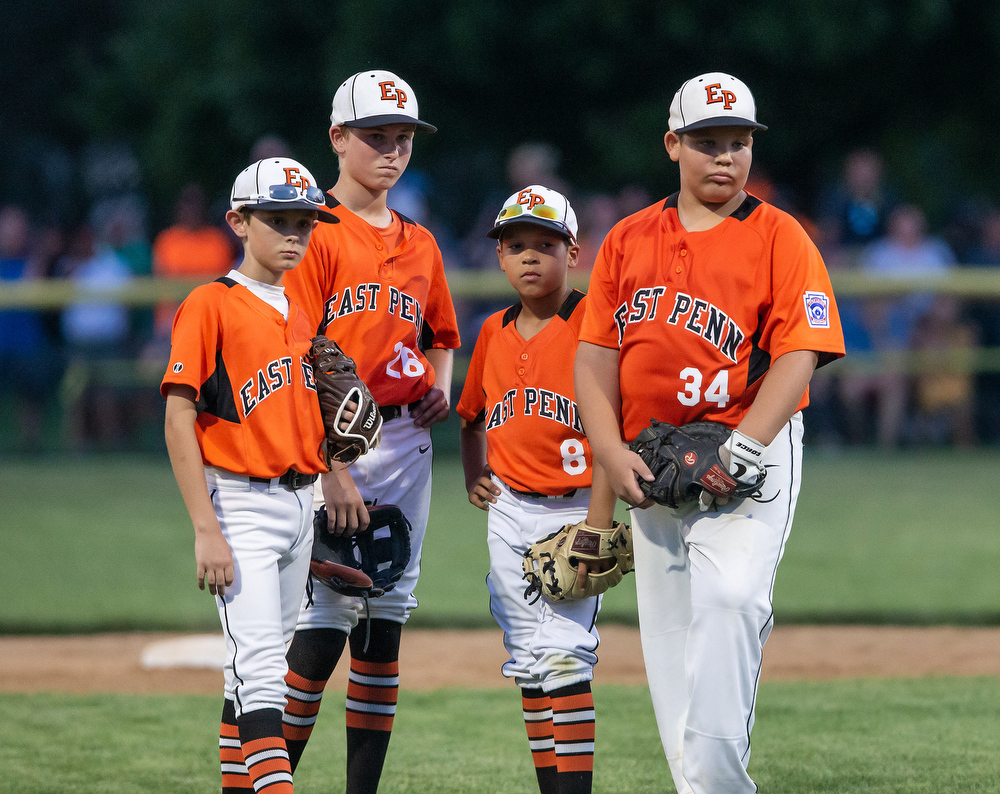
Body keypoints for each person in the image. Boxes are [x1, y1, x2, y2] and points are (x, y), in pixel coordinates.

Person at [573, 73, 845, 793]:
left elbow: (800, 354)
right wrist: (607, 450)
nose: (725, 156)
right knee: (668, 646)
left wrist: (746, 447)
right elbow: (595, 357)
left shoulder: (782, 237)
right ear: (673, 145)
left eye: (738, 143)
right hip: (651, 461)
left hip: (749, 448)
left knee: (731, 604)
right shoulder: (629, 240)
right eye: (707, 142)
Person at [278, 70, 461, 793]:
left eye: (403, 138)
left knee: (385, 618)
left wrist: (440, 387)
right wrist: (332, 466)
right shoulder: (312, 232)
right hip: (331, 447)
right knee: (324, 617)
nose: (391, 150)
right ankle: (269, 783)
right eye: (375, 136)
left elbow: (441, 333)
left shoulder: (420, 243)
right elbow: (292, 360)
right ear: (337, 139)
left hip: (406, 445)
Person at [161, 157, 337, 793]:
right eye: (277, 220)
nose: (294, 233)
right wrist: (206, 529)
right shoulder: (210, 304)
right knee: (264, 673)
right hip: (239, 506)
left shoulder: (303, 304)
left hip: (300, 505)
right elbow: (178, 422)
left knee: (249, 679)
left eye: (303, 223)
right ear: (238, 221)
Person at [457, 185, 617, 794]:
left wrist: (599, 520)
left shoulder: (593, 328)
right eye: (515, 245)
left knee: (565, 654)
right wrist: (475, 472)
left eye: (545, 244)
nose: (529, 257)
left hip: (576, 508)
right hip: (510, 510)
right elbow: (473, 418)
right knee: (528, 659)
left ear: (572, 252)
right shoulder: (493, 334)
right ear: (498, 257)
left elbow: (613, 431)